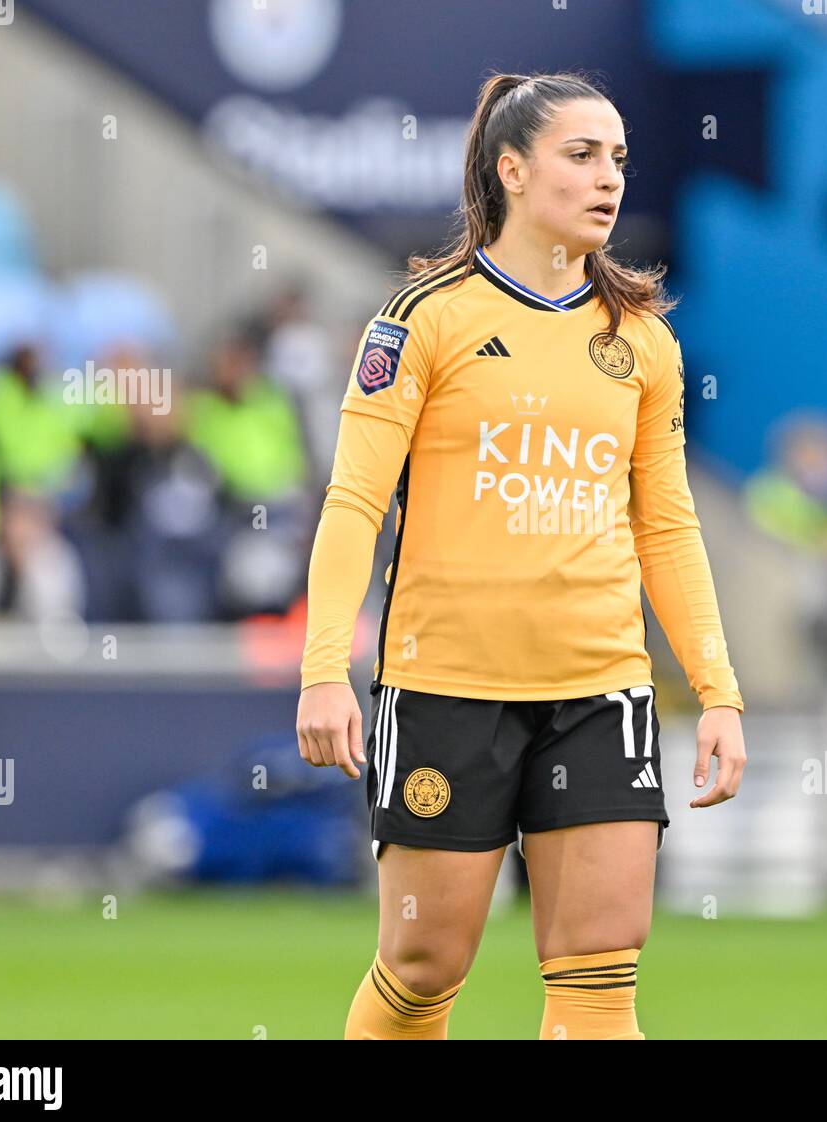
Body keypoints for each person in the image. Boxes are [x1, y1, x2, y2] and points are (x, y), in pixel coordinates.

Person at [296, 72, 746, 1040]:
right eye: (581, 155)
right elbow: (354, 499)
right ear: (510, 169)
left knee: (599, 981)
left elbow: (666, 525)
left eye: (619, 158)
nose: (608, 178)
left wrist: (718, 690)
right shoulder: (426, 317)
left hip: (600, 690)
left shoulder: (643, 342)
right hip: (447, 686)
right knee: (422, 968)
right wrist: (323, 667)